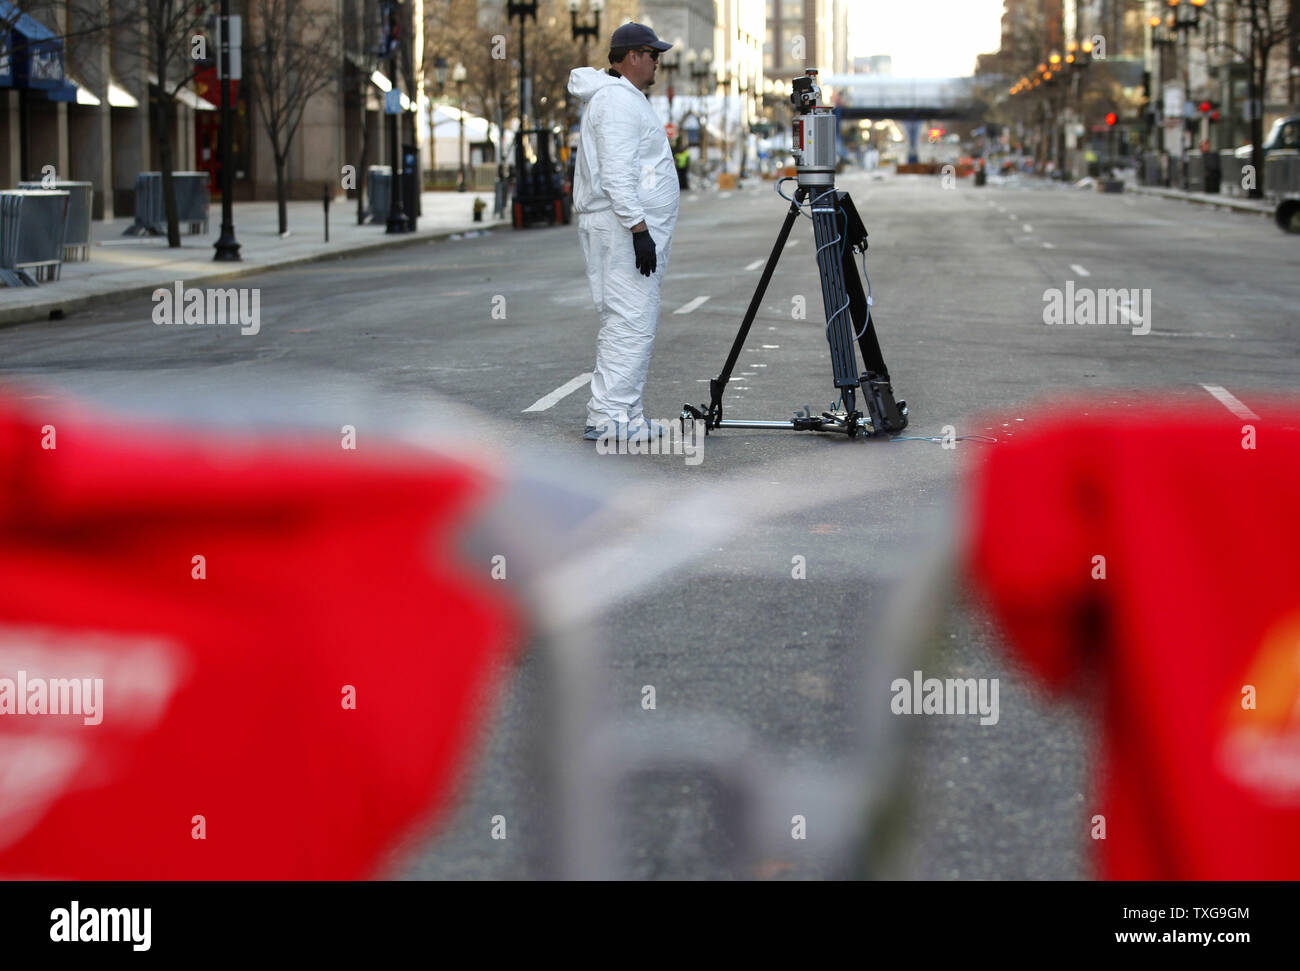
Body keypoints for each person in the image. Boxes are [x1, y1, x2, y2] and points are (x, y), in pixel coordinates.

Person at [567, 23, 679, 443]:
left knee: (633, 320)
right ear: (633, 55)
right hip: (620, 229)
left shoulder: (621, 98)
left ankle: (624, 412)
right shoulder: (615, 101)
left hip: (622, 227)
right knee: (629, 322)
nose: (657, 63)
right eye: (654, 55)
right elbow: (616, 172)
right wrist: (638, 228)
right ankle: (611, 417)